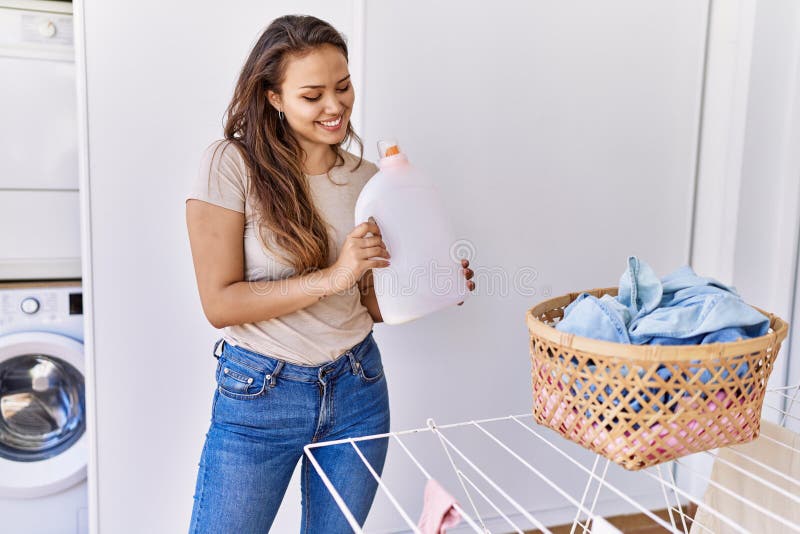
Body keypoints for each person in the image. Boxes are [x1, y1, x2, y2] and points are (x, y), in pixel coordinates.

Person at [185, 14, 475, 533]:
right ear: (273, 97)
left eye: (342, 88)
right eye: (312, 95)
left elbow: (366, 304)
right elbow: (219, 304)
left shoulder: (368, 181)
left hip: (358, 389)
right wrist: (334, 276)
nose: (335, 106)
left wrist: (435, 286)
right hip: (260, 396)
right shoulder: (230, 164)